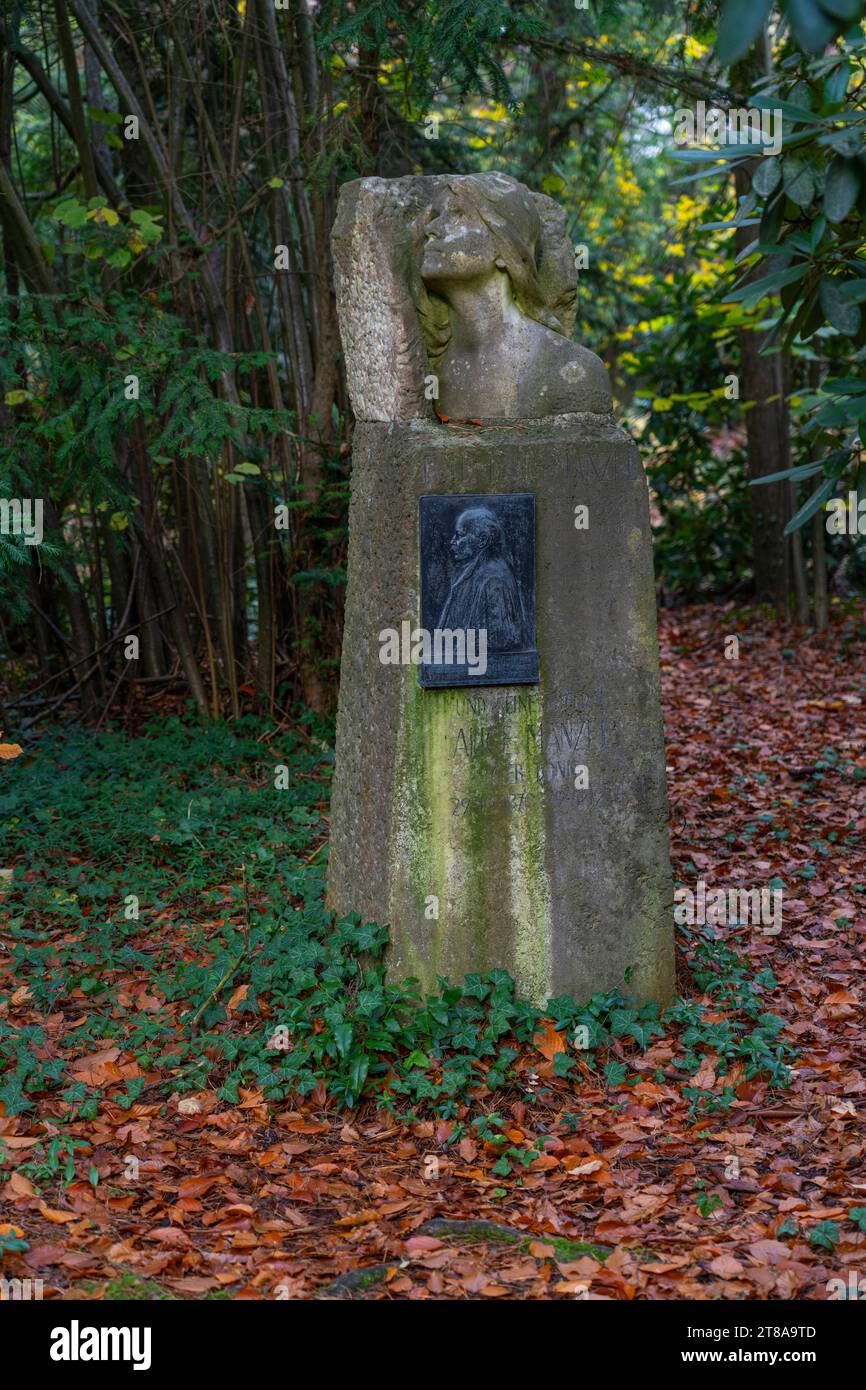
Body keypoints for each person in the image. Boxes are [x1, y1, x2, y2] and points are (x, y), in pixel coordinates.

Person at [437, 506, 527, 650]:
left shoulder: (494, 581)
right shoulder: (472, 572)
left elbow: (502, 641)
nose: (453, 541)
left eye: (459, 535)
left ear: (482, 540)